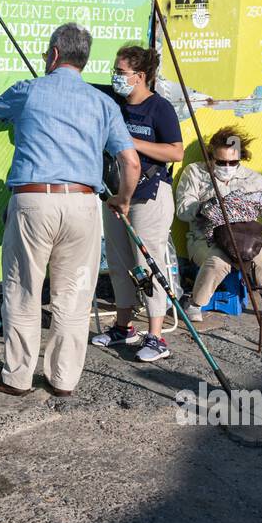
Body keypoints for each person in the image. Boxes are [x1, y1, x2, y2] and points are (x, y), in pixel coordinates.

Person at [0, 23, 139, 397]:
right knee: (73, 296)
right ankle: (63, 380)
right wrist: (122, 200)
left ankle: (17, 377)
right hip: (84, 204)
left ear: (54, 54)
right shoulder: (104, 103)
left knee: (22, 290)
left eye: (45, 53)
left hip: (34, 201)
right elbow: (131, 162)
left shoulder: (28, 90)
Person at [93, 44, 184, 362]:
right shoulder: (113, 101)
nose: (115, 77)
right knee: (118, 263)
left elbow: (175, 152)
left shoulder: (159, 109)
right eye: (115, 71)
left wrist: (134, 142)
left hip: (149, 196)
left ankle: (156, 335)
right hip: (115, 194)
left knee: (147, 266)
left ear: (140, 76)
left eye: (121, 72)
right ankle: (123, 326)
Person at [174, 125, 262, 323]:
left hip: (242, 238)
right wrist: (205, 207)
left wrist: (255, 201)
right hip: (205, 238)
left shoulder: (252, 178)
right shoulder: (195, 173)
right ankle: (195, 304)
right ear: (211, 156)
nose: (227, 167)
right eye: (221, 162)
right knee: (217, 262)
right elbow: (182, 210)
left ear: (241, 158)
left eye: (233, 162)